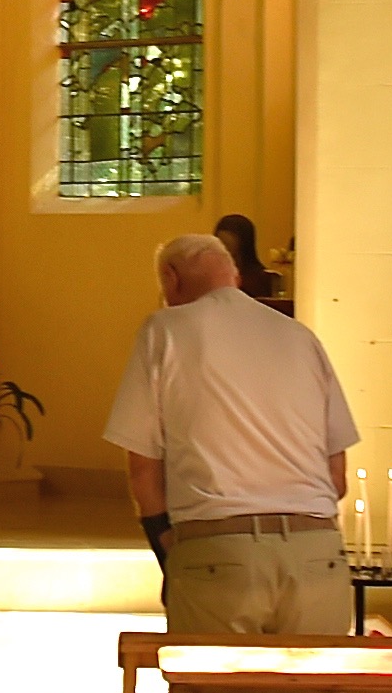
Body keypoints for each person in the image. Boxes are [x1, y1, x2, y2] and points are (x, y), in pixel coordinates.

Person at [104, 230, 360, 639]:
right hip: (318, 553)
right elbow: (338, 477)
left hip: (219, 552)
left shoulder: (165, 330)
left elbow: (142, 469)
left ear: (171, 278)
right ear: (235, 276)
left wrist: (169, 547)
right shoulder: (301, 337)